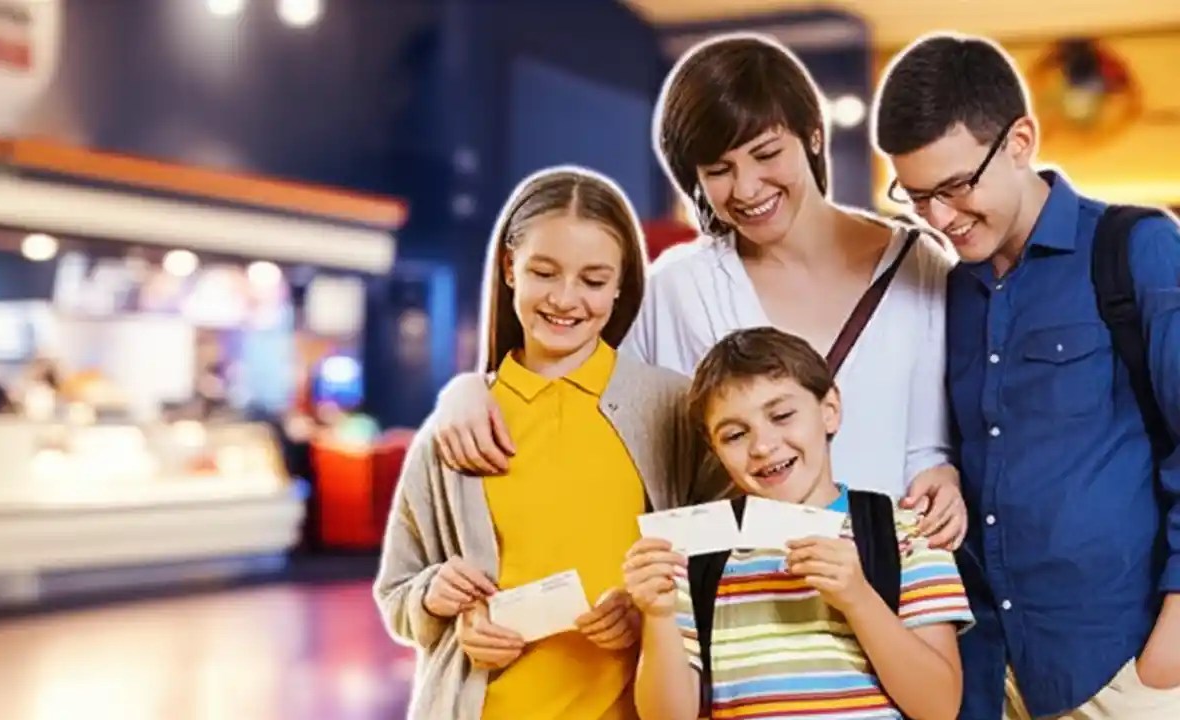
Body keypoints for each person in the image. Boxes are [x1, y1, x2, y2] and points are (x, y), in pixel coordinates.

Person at [427, 33, 968, 549]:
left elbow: (941, 434)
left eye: (765, 153)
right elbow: (580, 397)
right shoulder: (677, 289)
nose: (748, 189)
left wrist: (946, 473)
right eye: (719, 169)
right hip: (742, 614)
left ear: (813, 135)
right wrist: (470, 392)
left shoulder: (919, 267)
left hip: (893, 593)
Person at [875, 33, 1180, 719]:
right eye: (918, 197)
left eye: (955, 187)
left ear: (1020, 140)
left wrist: (1172, 645)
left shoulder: (1135, 250)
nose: (940, 219)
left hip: (1123, 671)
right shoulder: (948, 292)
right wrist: (946, 470)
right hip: (989, 673)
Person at [373, 167, 721, 720]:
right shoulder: (458, 430)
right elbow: (398, 593)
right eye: (544, 272)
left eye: (593, 279)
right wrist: (439, 601)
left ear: (620, 284)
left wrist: (652, 616)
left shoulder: (674, 411)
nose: (565, 299)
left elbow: (725, 566)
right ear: (511, 269)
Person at [625, 327, 973, 719]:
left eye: (782, 415)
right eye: (735, 434)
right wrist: (657, 616)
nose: (762, 445)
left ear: (830, 410)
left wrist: (858, 599)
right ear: (714, 450)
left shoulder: (907, 532)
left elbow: (940, 707)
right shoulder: (692, 551)